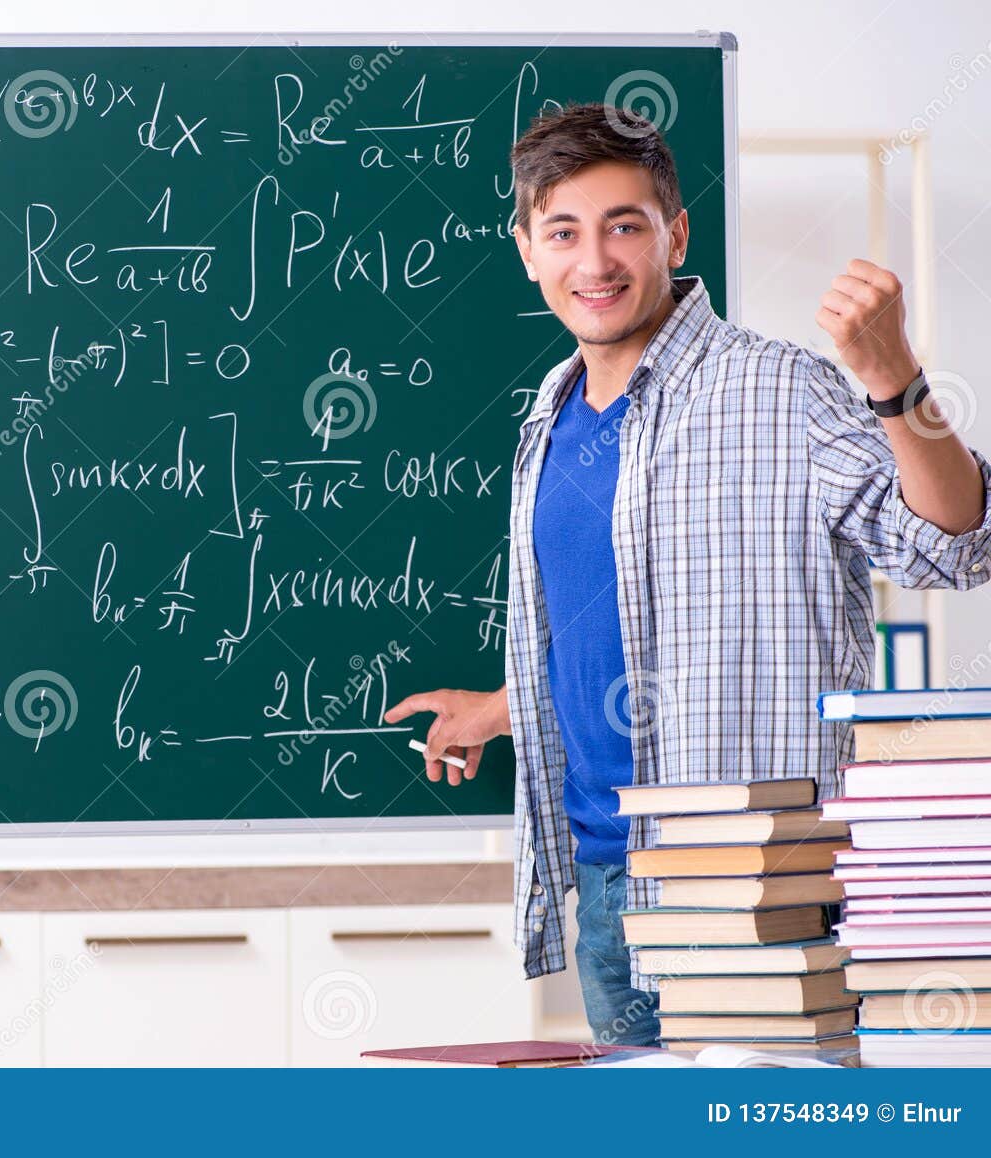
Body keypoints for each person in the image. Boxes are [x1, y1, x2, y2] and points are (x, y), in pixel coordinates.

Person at [384, 102, 991, 1046]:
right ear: (527, 252)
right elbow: (632, 617)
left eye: (623, 226)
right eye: (564, 233)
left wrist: (895, 382)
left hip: (755, 883)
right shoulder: (549, 416)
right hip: (600, 875)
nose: (595, 263)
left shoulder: (779, 388)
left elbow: (956, 542)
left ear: (674, 233)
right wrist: (505, 704)